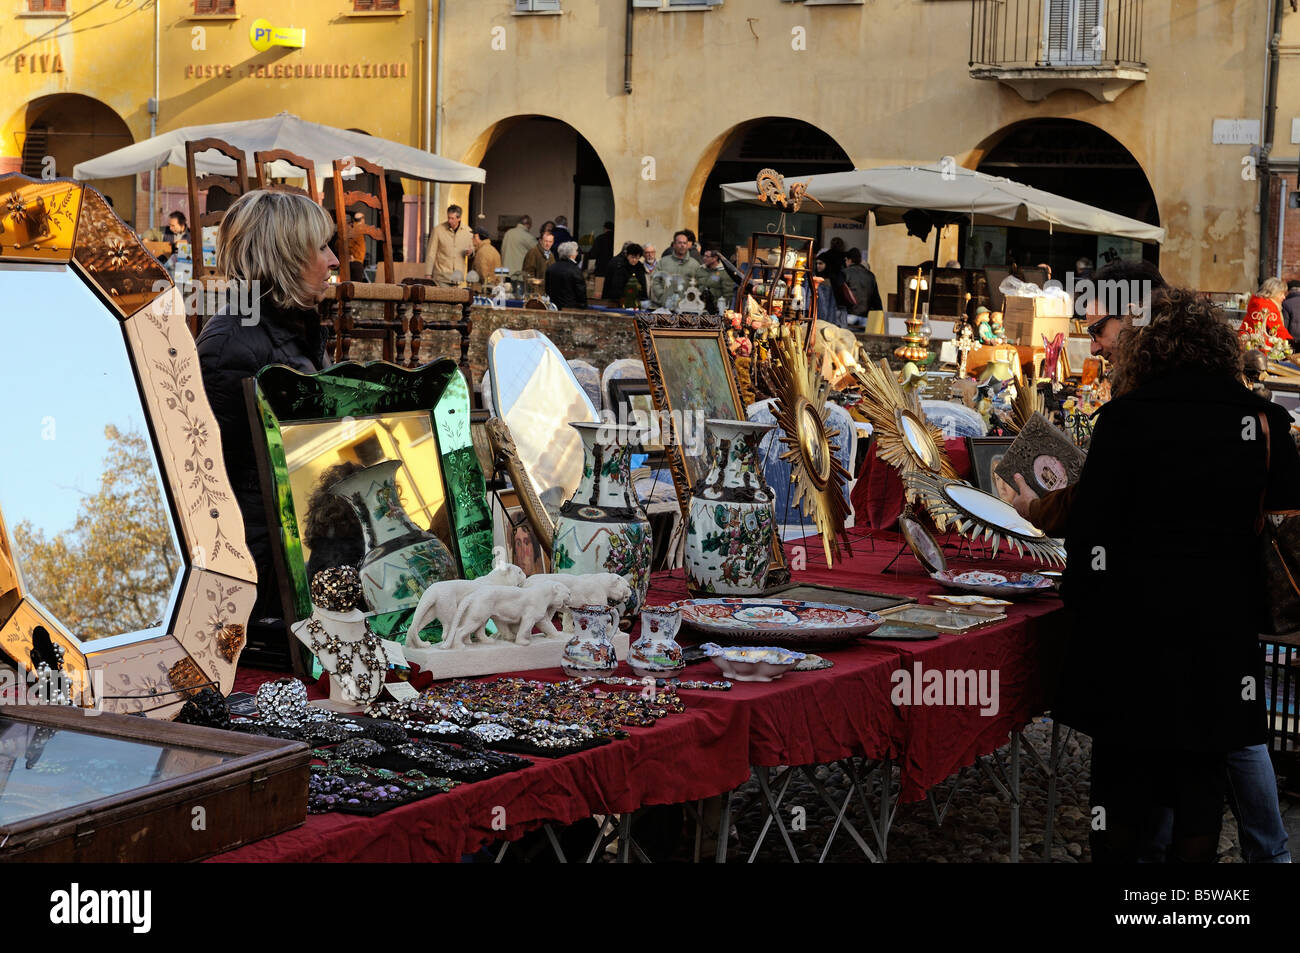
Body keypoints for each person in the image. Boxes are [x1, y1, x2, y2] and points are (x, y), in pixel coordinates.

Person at [1012, 288, 1300, 863]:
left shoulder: (1125, 420)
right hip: (1221, 629)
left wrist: (1083, 607)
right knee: (1200, 774)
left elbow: (1092, 527)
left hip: (1135, 633)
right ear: (1219, 348)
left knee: (1127, 781)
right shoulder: (1264, 421)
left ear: (1150, 351)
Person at [196, 190, 338, 620]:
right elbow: (217, 493)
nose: (333, 260)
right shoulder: (230, 345)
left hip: (303, 552)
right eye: (322, 247)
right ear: (285, 257)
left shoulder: (295, 331)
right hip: (268, 579)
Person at [650, 230, 704, 306]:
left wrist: (693, 299)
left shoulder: (695, 264)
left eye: (684, 243)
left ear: (687, 245)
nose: (682, 245)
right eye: (680, 243)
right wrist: (661, 295)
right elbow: (655, 280)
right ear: (674, 244)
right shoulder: (663, 262)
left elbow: (701, 284)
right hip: (666, 306)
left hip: (687, 307)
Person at [426, 203, 471, 285]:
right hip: (441, 278)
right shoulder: (438, 230)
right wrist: (428, 273)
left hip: (458, 279)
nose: (449, 221)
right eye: (448, 218)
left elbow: (472, 250)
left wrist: (470, 252)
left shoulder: (468, 232)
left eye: (452, 218)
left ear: (459, 218)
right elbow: (431, 253)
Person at [1239, 277, 1293, 344]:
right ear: (1274, 293)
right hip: (1255, 344)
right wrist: (1290, 342)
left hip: (1249, 341)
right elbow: (1278, 329)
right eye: (1281, 294)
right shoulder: (1266, 306)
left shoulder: (1260, 302)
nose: (1284, 297)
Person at [842, 248, 882, 324]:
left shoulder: (845, 273)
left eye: (846, 260)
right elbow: (876, 299)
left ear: (849, 260)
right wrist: (879, 317)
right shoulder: (870, 275)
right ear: (860, 260)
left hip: (849, 315)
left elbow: (840, 295)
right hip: (866, 317)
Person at [603, 242, 648, 307]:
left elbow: (643, 285)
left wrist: (643, 298)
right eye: (632, 257)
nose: (634, 260)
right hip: (620, 301)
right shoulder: (621, 267)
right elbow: (616, 286)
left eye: (637, 258)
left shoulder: (640, 267)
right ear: (627, 256)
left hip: (637, 301)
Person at [545, 241, 587, 310]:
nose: (577, 253)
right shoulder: (575, 270)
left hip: (553, 308)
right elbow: (581, 293)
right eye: (576, 251)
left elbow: (547, 290)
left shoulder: (551, 268)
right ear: (572, 254)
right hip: (571, 310)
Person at [347, 211, 367, 282]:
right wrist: (353, 255)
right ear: (362, 219)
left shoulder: (352, 229)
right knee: (356, 286)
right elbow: (349, 244)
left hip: (351, 261)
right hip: (356, 262)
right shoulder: (358, 230)